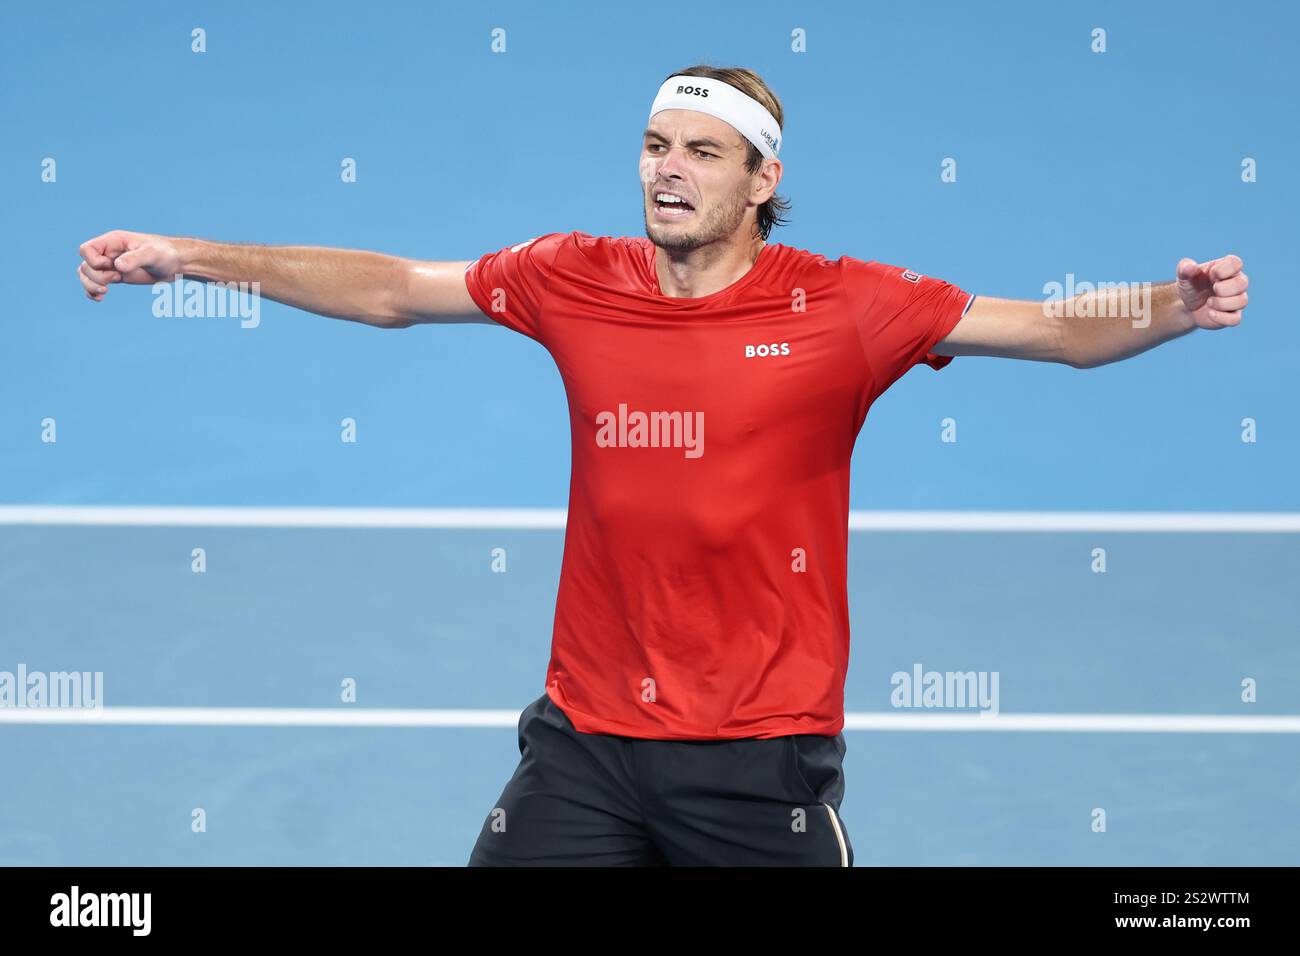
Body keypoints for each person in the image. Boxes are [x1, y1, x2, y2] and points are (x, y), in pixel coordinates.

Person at [76, 64, 1249, 867]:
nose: (667, 169)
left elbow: (1052, 328)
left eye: (701, 150)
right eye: (652, 145)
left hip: (755, 754)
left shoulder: (848, 307)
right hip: (583, 742)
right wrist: (187, 256)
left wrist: (1172, 306)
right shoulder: (569, 275)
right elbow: (392, 288)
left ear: (762, 182)